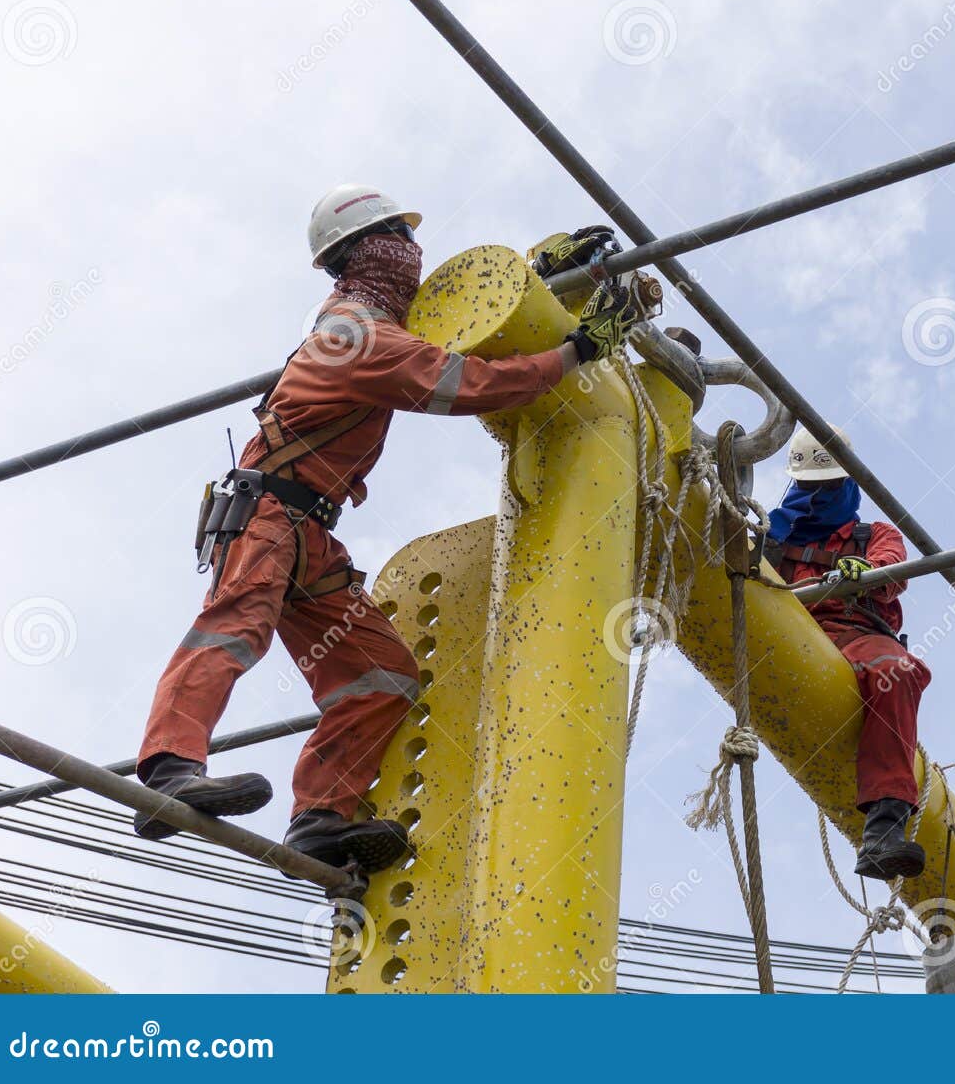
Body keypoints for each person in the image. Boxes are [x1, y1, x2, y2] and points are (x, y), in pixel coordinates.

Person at [135, 184, 636, 872]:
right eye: (401, 238)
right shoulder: (356, 335)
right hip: (270, 513)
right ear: (370, 252)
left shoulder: (378, 324)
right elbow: (467, 381)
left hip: (307, 529)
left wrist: (543, 281)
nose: (414, 252)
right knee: (236, 623)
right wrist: (576, 351)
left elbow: (448, 326)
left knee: (381, 674)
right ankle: (169, 765)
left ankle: (319, 817)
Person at [764, 427, 931, 880]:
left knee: (896, 672)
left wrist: (868, 572)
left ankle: (884, 832)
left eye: (830, 486)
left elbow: (894, 571)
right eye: (812, 488)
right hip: (792, 632)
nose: (821, 496)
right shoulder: (771, 537)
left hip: (858, 633)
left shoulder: (872, 535)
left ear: (849, 483)